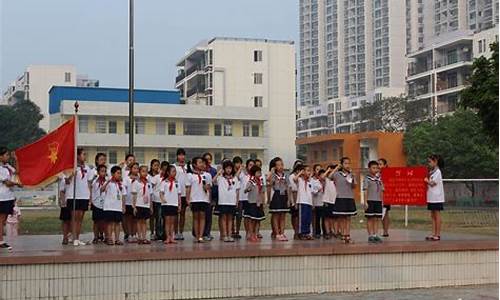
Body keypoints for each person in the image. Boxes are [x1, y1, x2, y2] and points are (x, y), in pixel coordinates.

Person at [65, 148, 92, 246]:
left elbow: (89, 183)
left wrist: (90, 196)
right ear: (77, 156)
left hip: (84, 195)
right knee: (74, 217)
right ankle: (73, 237)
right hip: (74, 195)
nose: (85, 156)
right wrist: (72, 175)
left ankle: (77, 237)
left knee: (80, 218)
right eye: (83, 154)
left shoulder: (87, 168)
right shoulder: (72, 167)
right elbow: (67, 181)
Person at [186, 156, 212, 243]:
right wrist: (188, 199)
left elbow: (209, 187)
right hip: (194, 199)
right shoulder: (190, 176)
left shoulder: (207, 175)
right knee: (196, 217)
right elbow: (188, 188)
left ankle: (201, 236)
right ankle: (196, 236)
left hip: (204, 199)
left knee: (202, 217)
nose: (201, 164)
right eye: (199, 162)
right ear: (194, 164)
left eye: (202, 162)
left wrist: (207, 187)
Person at [213, 160, 240, 242]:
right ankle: (224, 234)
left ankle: (229, 234)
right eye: (227, 168)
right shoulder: (220, 178)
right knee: (224, 218)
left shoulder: (235, 178)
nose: (228, 170)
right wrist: (219, 172)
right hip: (223, 202)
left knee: (230, 219)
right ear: (224, 169)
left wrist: (237, 201)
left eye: (230, 168)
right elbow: (213, 181)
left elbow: (237, 191)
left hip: (232, 201)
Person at [332, 157, 357, 243]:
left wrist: (353, 178)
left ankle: (347, 234)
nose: (347, 165)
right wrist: (337, 167)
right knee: (342, 217)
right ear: (342, 164)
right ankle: (343, 234)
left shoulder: (351, 174)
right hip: (340, 198)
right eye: (345, 163)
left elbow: (354, 186)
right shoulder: (337, 174)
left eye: (349, 163)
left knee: (348, 217)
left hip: (349, 198)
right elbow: (329, 176)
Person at [102, 166, 126, 245]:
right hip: (109, 207)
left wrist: (123, 206)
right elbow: (102, 189)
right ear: (112, 174)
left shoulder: (121, 184)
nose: (119, 175)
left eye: (120, 173)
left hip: (118, 207)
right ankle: (109, 238)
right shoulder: (109, 183)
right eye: (118, 173)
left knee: (117, 223)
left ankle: (117, 239)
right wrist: (108, 181)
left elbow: (123, 195)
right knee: (109, 223)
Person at [267, 157, 289, 241]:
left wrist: (289, 199)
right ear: (275, 167)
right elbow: (270, 182)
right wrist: (272, 172)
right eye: (278, 165)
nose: (281, 166)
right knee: (276, 215)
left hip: (284, 195)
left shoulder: (285, 175)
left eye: (282, 164)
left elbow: (288, 187)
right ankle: (277, 233)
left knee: (283, 215)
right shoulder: (273, 175)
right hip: (276, 195)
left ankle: (282, 233)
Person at [294, 165, 318, 240]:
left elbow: (315, 190)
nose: (309, 172)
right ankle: (302, 233)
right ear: (303, 172)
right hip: (302, 201)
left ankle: (307, 233)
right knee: (302, 218)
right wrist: (300, 172)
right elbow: (295, 179)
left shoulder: (310, 181)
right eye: (307, 170)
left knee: (308, 218)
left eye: (309, 171)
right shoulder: (300, 180)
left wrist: (311, 179)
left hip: (309, 202)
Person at [243, 165, 265, 242]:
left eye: (260, 172)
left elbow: (262, 191)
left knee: (258, 220)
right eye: (258, 172)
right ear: (253, 173)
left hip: (259, 202)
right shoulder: (251, 182)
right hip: (252, 202)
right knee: (252, 219)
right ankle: (251, 234)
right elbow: (245, 190)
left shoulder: (261, 181)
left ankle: (256, 233)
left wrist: (263, 201)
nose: (260, 174)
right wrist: (248, 189)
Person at [363, 161, 384, 243]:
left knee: (376, 218)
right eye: (373, 168)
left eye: (377, 168)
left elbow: (382, 190)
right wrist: (365, 202)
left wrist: (382, 201)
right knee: (370, 218)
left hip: (378, 201)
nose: (375, 170)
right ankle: (370, 235)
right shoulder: (367, 179)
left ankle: (375, 235)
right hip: (370, 200)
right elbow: (365, 190)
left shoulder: (379, 179)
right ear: (369, 169)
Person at [425, 154, 445, 241]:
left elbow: (433, 183)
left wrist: (426, 181)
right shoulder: (431, 172)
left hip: (437, 197)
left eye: (430, 161)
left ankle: (437, 234)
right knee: (432, 215)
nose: (428, 164)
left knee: (437, 215)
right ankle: (433, 233)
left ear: (435, 161)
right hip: (431, 197)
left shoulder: (438, 172)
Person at [160, 165, 181, 244]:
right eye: (173, 171)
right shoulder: (164, 182)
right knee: (167, 221)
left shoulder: (177, 182)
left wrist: (179, 204)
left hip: (174, 204)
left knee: (172, 222)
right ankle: (167, 237)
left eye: (175, 171)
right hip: (166, 204)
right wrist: (163, 199)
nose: (174, 173)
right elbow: (161, 193)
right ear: (168, 172)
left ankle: (172, 237)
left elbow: (179, 194)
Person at [132, 165, 153, 244]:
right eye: (143, 171)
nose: (145, 173)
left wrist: (151, 207)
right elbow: (134, 195)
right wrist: (134, 206)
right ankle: (139, 237)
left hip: (146, 205)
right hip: (139, 204)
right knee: (139, 221)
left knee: (144, 222)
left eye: (146, 171)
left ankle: (144, 237)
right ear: (139, 172)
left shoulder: (148, 183)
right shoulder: (136, 182)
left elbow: (150, 195)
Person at [236, 159, 255, 239]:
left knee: (249, 216)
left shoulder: (255, 175)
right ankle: (237, 231)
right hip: (242, 198)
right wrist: (240, 169)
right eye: (250, 165)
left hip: (250, 198)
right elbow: (236, 177)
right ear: (247, 166)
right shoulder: (243, 174)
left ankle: (249, 232)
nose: (251, 167)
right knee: (239, 216)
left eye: (253, 165)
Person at [90, 164, 107, 244]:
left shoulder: (107, 181)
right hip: (96, 203)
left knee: (104, 221)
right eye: (102, 171)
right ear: (98, 172)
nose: (103, 173)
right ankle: (95, 237)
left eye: (105, 171)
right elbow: (91, 189)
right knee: (96, 221)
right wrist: (90, 200)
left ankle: (104, 235)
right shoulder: (94, 181)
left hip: (105, 203)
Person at [151, 160, 169, 239]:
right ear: (161, 169)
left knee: (165, 218)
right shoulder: (156, 177)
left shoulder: (169, 179)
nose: (164, 171)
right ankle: (158, 234)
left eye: (166, 170)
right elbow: (151, 186)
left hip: (166, 201)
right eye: (163, 169)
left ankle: (165, 234)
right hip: (157, 200)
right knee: (158, 218)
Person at [321, 164, 339, 239]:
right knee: (327, 217)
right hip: (327, 200)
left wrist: (336, 170)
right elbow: (322, 177)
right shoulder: (327, 179)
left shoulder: (337, 179)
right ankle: (328, 232)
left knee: (335, 218)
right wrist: (328, 170)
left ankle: (336, 232)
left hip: (335, 200)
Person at [202, 152, 217, 241]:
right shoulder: (201, 171)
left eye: (209, 159)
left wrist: (214, 198)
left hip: (210, 196)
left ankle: (207, 232)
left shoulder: (213, 171)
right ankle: (200, 232)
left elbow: (214, 185)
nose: (208, 161)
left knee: (209, 216)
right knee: (202, 216)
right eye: (206, 159)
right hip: (201, 196)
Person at [123, 162, 139, 243]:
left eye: (137, 168)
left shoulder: (140, 179)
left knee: (135, 219)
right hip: (128, 201)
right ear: (131, 169)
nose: (136, 170)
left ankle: (134, 234)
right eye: (134, 168)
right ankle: (129, 234)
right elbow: (124, 190)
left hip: (137, 202)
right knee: (128, 219)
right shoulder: (126, 178)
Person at [174, 148, 188, 241]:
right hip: (175, 193)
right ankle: (175, 232)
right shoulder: (174, 166)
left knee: (182, 213)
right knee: (175, 214)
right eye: (180, 155)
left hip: (184, 193)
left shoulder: (188, 167)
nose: (181, 157)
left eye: (183, 155)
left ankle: (181, 232)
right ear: (177, 156)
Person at [148, 159, 164, 241]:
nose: (156, 167)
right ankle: (151, 232)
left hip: (159, 199)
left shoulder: (161, 176)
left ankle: (159, 233)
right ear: (151, 166)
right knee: (152, 216)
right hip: (152, 199)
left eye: (158, 165)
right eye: (155, 165)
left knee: (159, 217)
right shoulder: (148, 175)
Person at [288, 160, 303, 240]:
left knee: (300, 217)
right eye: (297, 167)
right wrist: (289, 200)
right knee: (295, 216)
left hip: (302, 199)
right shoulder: (291, 176)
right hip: (294, 199)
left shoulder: (303, 177)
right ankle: (296, 231)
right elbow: (292, 188)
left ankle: (301, 232)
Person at [231, 156, 244, 239]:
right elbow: (235, 177)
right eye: (236, 163)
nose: (238, 165)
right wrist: (239, 170)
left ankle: (237, 231)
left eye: (239, 163)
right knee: (232, 215)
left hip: (241, 196)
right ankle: (232, 230)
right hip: (232, 196)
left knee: (239, 215)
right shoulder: (231, 171)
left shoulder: (243, 172)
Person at [312, 167, 326, 239]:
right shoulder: (316, 182)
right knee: (317, 219)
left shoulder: (326, 182)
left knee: (324, 219)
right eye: (321, 175)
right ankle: (317, 232)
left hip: (324, 203)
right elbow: (313, 192)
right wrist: (318, 190)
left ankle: (325, 232)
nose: (323, 177)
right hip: (317, 203)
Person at [378, 158, 390, 237]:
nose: (379, 166)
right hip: (377, 197)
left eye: (380, 164)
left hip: (386, 197)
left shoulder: (388, 174)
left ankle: (385, 231)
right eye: (378, 164)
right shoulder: (376, 174)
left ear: (385, 165)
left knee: (385, 214)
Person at [58, 175, 71, 245]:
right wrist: (63, 201)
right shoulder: (64, 178)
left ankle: (73, 236)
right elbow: (62, 191)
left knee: (74, 220)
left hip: (76, 202)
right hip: (66, 202)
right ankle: (65, 237)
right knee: (65, 220)